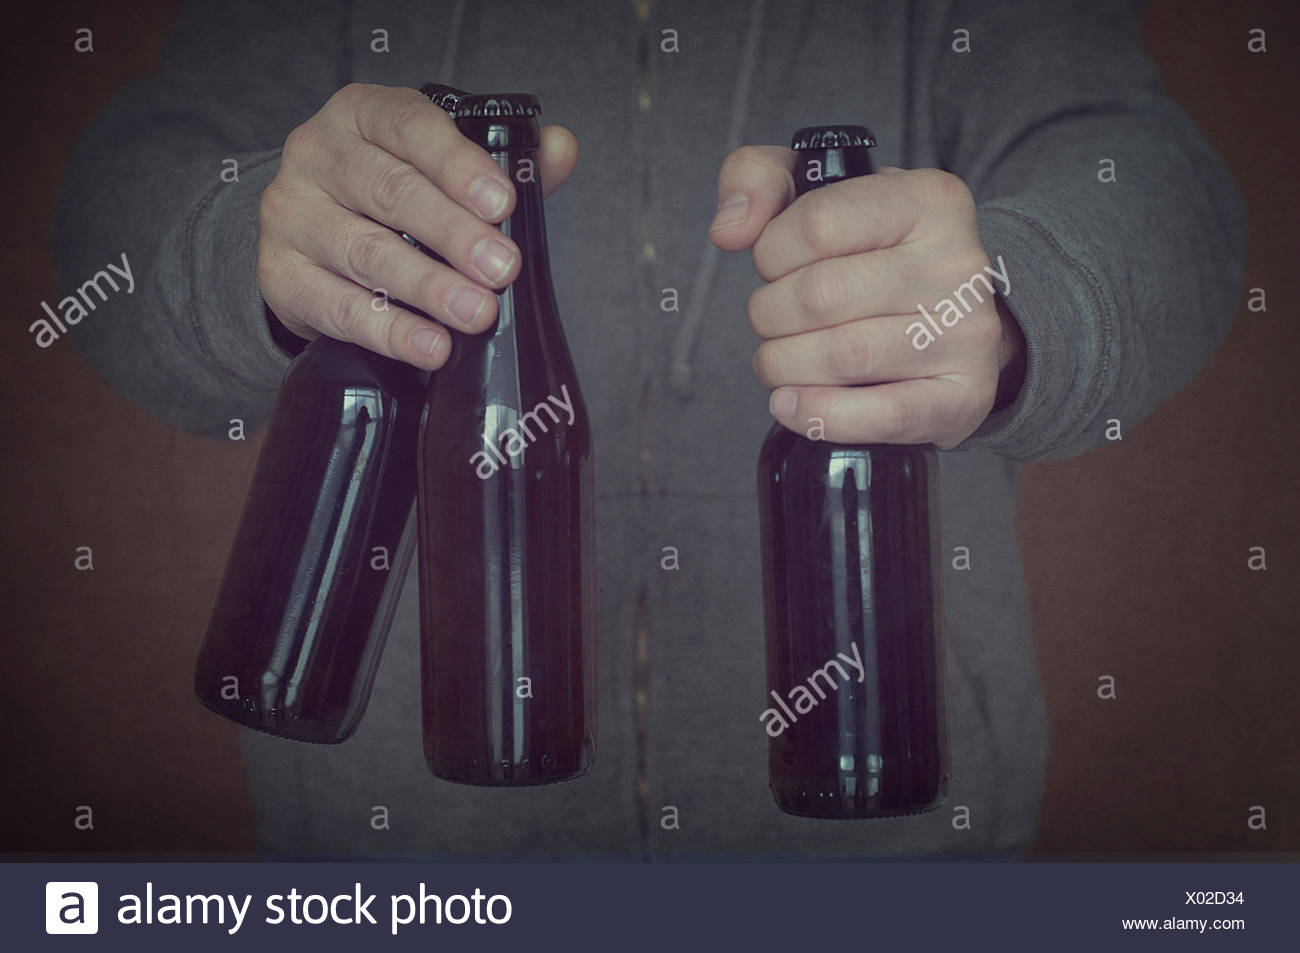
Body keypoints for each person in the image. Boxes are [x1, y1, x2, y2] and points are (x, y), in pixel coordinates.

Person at [52, 0, 1243, 855]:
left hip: (888, 865)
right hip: (409, 857)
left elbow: (1152, 180)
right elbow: (115, 203)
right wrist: (255, 246)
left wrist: (1019, 294)